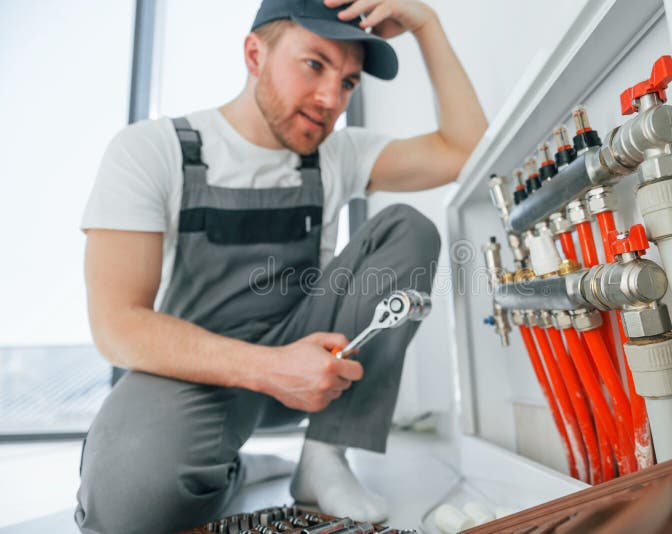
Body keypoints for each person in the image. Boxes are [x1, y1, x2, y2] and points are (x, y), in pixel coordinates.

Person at [75, 0, 486, 531]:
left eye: (349, 83)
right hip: (195, 373)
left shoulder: (337, 156)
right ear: (254, 54)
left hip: (310, 358)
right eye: (314, 64)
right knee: (125, 508)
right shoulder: (153, 151)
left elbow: (466, 148)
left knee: (409, 228)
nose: (330, 99)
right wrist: (268, 368)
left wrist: (427, 24)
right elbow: (116, 326)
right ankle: (229, 468)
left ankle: (324, 458)